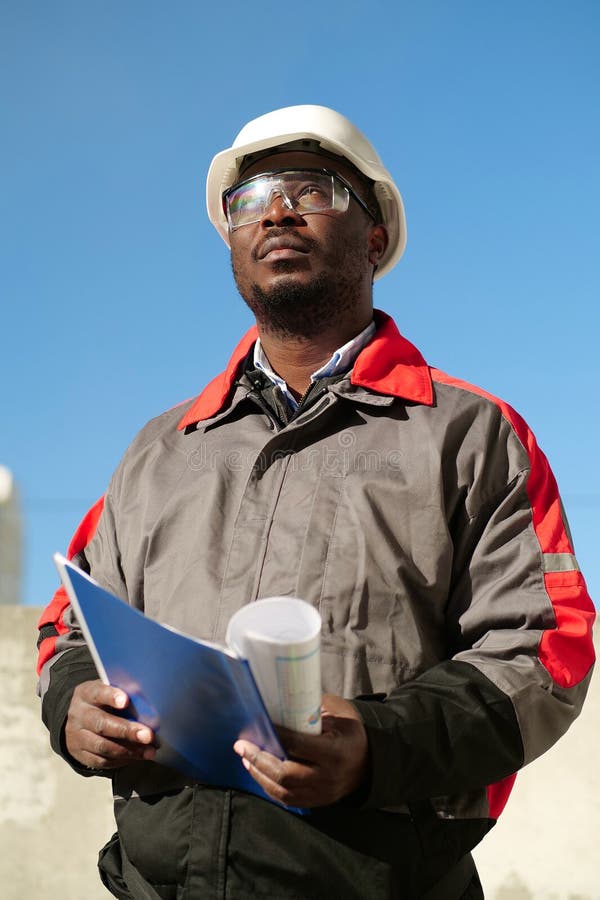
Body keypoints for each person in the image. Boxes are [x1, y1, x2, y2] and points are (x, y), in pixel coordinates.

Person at [37, 105, 595, 900]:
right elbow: (70, 619)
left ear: (376, 238)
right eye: (249, 198)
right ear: (231, 245)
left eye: (312, 188)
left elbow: (547, 649)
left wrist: (377, 744)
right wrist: (73, 704)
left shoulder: (473, 434)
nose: (276, 211)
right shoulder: (159, 451)